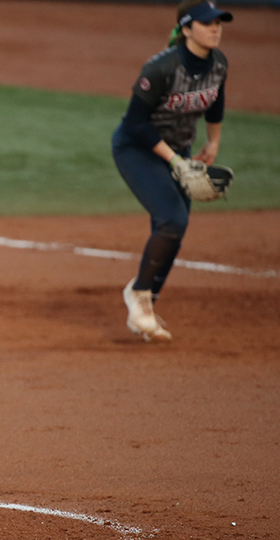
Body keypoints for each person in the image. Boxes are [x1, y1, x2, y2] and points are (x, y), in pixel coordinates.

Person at [112, 0, 231, 343]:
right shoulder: (161, 68)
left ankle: (145, 309)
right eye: (208, 23)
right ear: (187, 28)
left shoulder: (219, 63)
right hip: (137, 149)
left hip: (176, 150)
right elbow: (135, 125)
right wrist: (176, 162)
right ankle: (138, 295)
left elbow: (216, 100)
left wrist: (212, 143)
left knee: (174, 232)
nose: (216, 28)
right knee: (172, 220)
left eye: (219, 22)